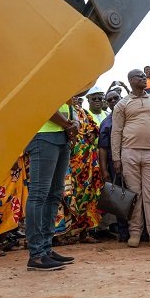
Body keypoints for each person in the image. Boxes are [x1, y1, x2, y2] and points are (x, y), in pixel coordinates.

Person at [111, 69, 150, 248]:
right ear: (130, 80)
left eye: (144, 77)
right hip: (129, 152)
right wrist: (116, 157)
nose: (144, 79)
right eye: (139, 76)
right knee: (135, 194)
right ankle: (135, 233)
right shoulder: (122, 104)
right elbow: (116, 131)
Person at [24, 103, 78, 271]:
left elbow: (73, 101)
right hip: (43, 136)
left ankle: (46, 249)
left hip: (62, 136)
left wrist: (74, 122)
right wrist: (69, 125)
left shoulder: (61, 83)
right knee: (39, 194)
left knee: (54, 194)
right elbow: (44, 107)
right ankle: (36, 254)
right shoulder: (40, 82)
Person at [64, 95, 103, 244]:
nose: (74, 98)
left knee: (88, 197)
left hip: (87, 165)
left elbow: (94, 127)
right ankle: (65, 234)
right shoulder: (63, 112)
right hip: (68, 163)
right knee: (67, 196)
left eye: (76, 95)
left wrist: (93, 133)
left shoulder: (84, 113)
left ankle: (84, 233)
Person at [98, 90, 128, 242]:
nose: (113, 101)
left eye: (116, 98)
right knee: (120, 199)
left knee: (138, 194)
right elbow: (102, 148)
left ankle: (141, 231)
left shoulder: (131, 117)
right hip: (114, 164)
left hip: (133, 160)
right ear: (107, 103)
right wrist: (104, 171)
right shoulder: (106, 123)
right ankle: (123, 233)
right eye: (110, 99)